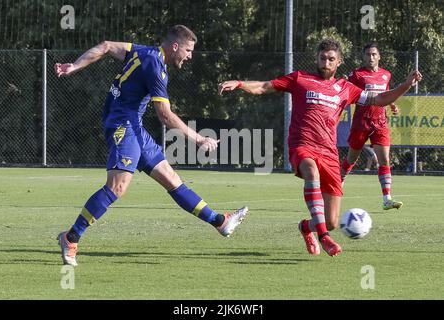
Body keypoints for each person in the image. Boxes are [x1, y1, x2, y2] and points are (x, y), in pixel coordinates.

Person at [54, 25, 248, 267]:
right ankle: (70, 238)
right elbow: (165, 116)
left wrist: (74, 65)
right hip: (123, 126)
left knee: (171, 178)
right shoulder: (155, 68)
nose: (190, 56)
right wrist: (199, 139)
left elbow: (105, 46)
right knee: (117, 187)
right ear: (175, 46)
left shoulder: (142, 51)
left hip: (135, 127)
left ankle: (219, 221)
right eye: (188, 50)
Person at [218, 39, 421, 257]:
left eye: (331, 59)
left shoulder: (345, 88)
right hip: (302, 145)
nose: (326, 62)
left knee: (332, 221)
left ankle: (307, 227)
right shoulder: (299, 79)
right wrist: (240, 83)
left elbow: (380, 99)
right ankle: (324, 237)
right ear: (316, 58)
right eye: (322, 57)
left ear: (339, 62)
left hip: (329, 153)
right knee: (311, 172)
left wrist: (406, 85)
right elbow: (265, 86)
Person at [341, 43, 402, 210]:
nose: (371, 57)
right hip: (361, 123)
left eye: (374, 54)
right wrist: (344, 82)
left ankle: (387, 199)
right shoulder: (357, 74)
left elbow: (387, 94)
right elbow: (345, 88)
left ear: (379, 56)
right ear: (363, 57)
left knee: (384, 160)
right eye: (368, 54)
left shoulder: (386, 75)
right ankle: (337, 185)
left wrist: (392, 105)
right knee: (351, 159)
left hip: (380, 123)